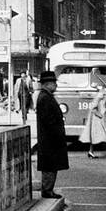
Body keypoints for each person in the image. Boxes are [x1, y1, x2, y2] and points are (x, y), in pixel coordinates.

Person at [35, 69, 69, 197]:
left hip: (50, 138)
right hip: (50, 139)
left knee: (51, 165)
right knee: (50, 165)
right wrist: (57, 133)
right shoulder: (45, 98)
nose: (56, 85)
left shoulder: (46, 96)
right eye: (53, 83)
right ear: (46, 84)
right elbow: (49, 120)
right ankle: (47, 190)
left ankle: (48, 189)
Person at [79, 83, 106, 158]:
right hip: (97, 117)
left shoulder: (103, 95)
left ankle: (92, 151)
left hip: (99, 117)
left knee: (97, 133)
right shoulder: (100, 96)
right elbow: (93, 107)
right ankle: (104, 150)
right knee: (99, 133)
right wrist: (99, 115)